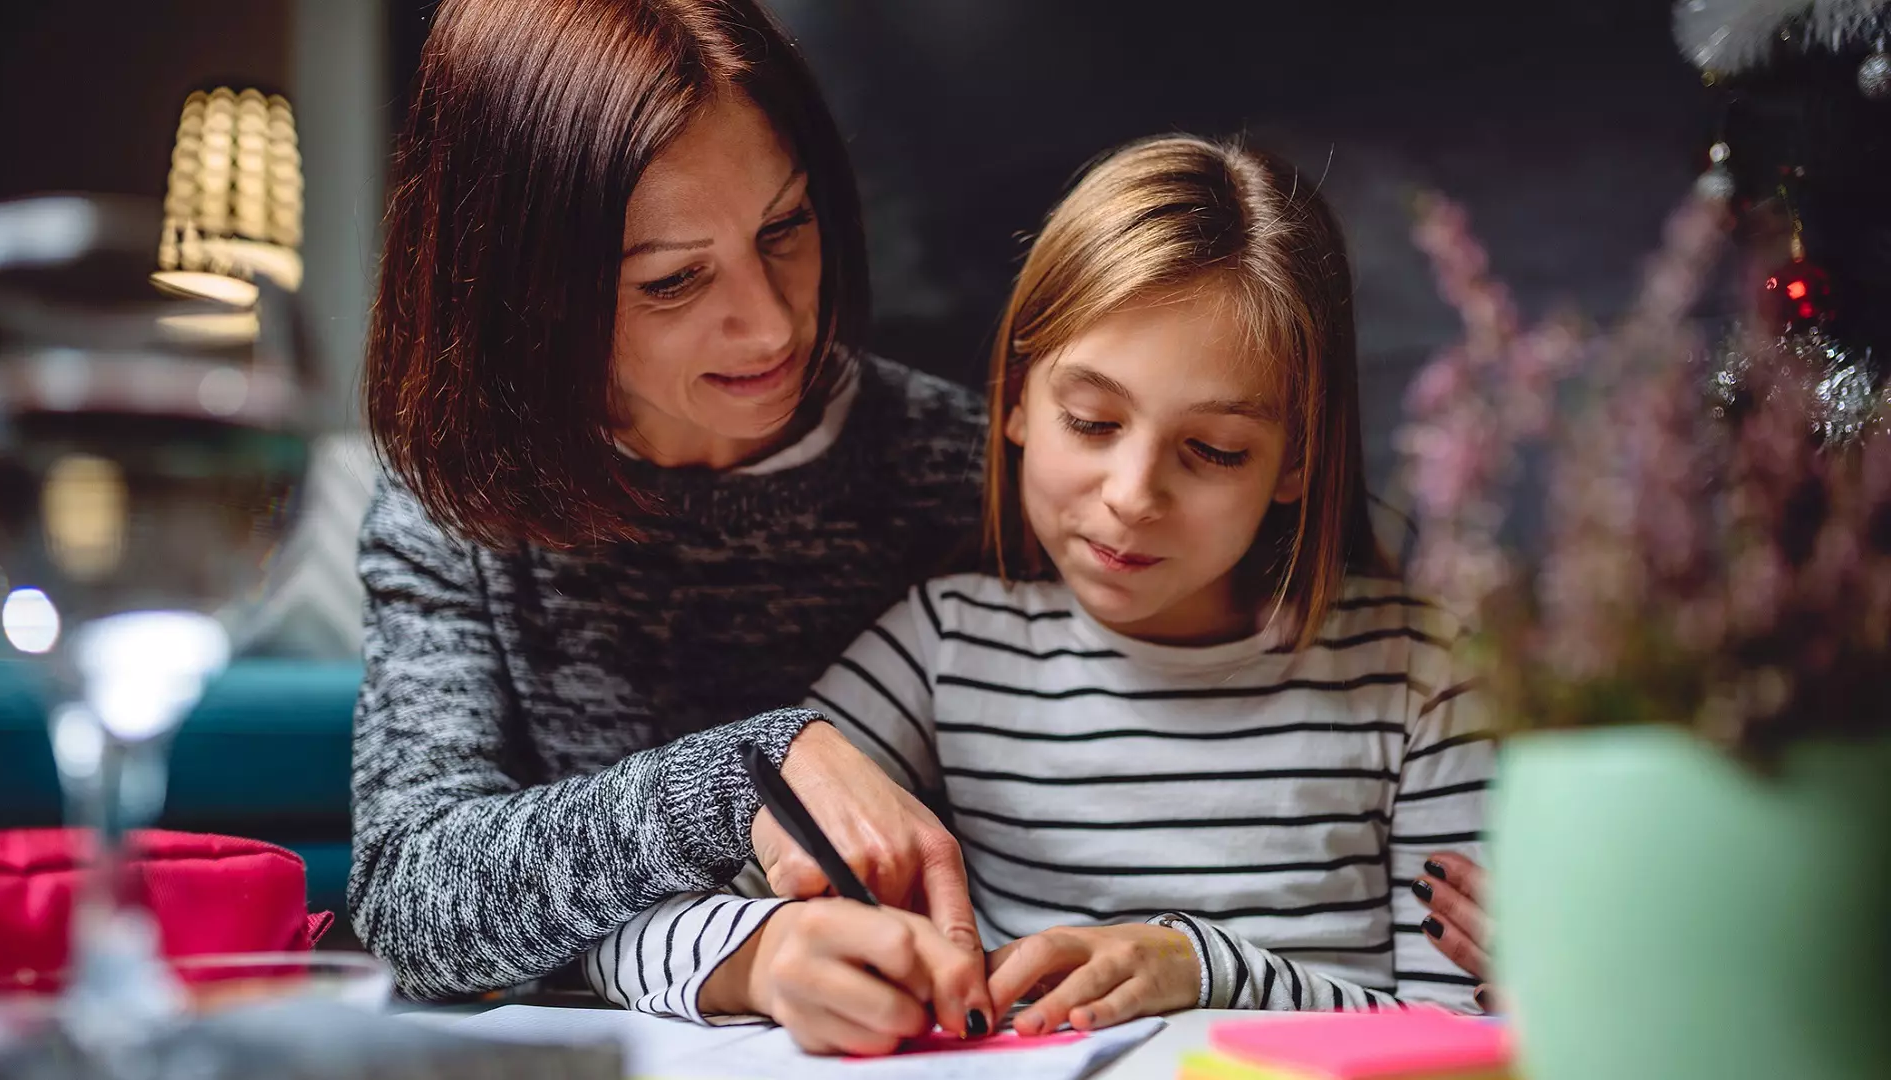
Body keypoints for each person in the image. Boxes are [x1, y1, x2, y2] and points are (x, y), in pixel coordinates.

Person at [589, 135, 1495, 1051]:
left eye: (1214, 450)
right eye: (1092, 421)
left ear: (1296, 459)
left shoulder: (1422, 673)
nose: (1134, 495)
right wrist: (775, 956)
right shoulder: (945, 648)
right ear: (1016, 398)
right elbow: (618, 933)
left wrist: (1206, 970)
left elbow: (1462, 1037)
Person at [349, 0, 991, 1004]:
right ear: (523, 290)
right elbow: (413, 904)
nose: (771, 322)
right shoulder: (455, 501)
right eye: (673, 282)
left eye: (786, 226)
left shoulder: (963, 475)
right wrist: (744, 790)